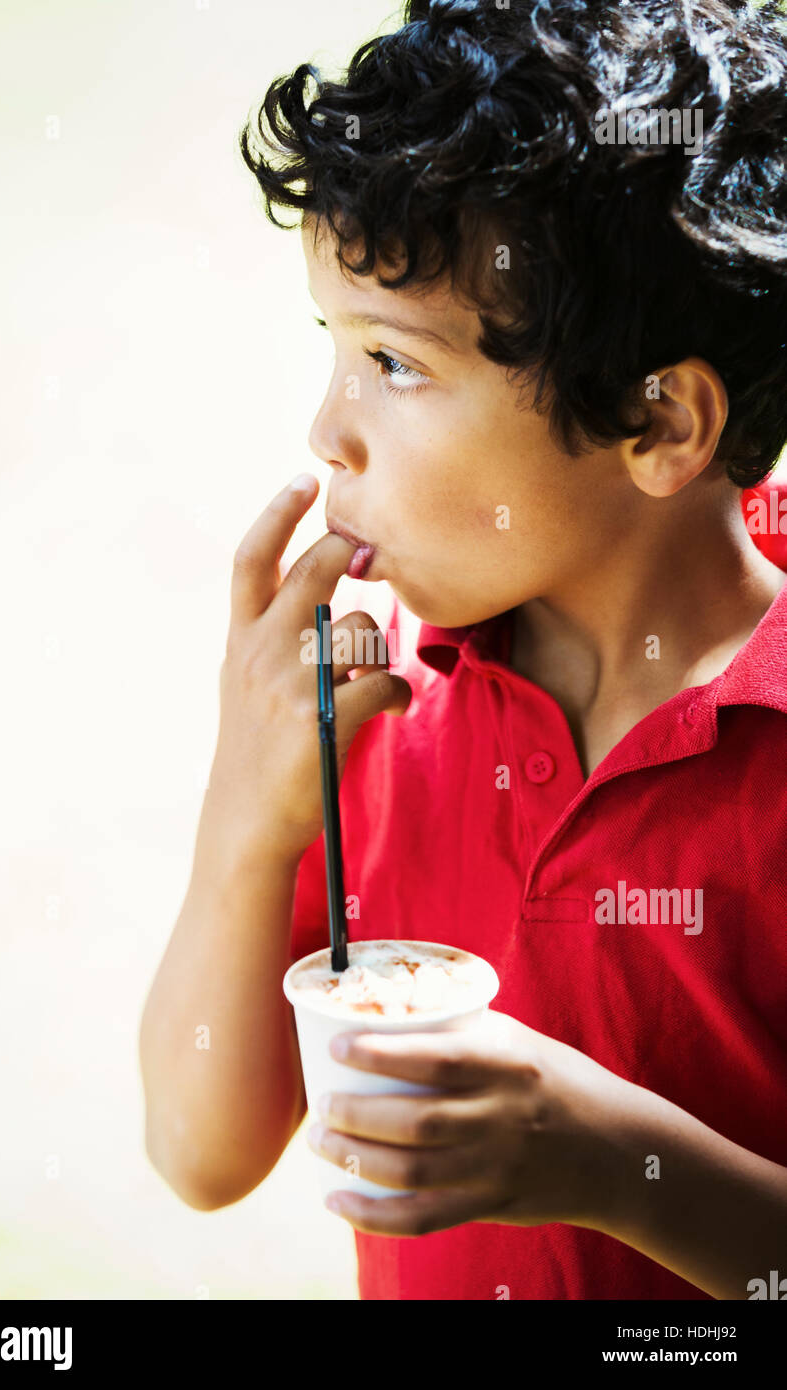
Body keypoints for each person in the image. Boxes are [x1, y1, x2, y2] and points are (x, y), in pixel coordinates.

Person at [140, 0, 787, 1299]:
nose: (328, 428)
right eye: (331, 346)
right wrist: (244, 814)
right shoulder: (387, 704)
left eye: (393, 360)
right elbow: (200, 1152)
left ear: (658, 420)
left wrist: (613, 1159)